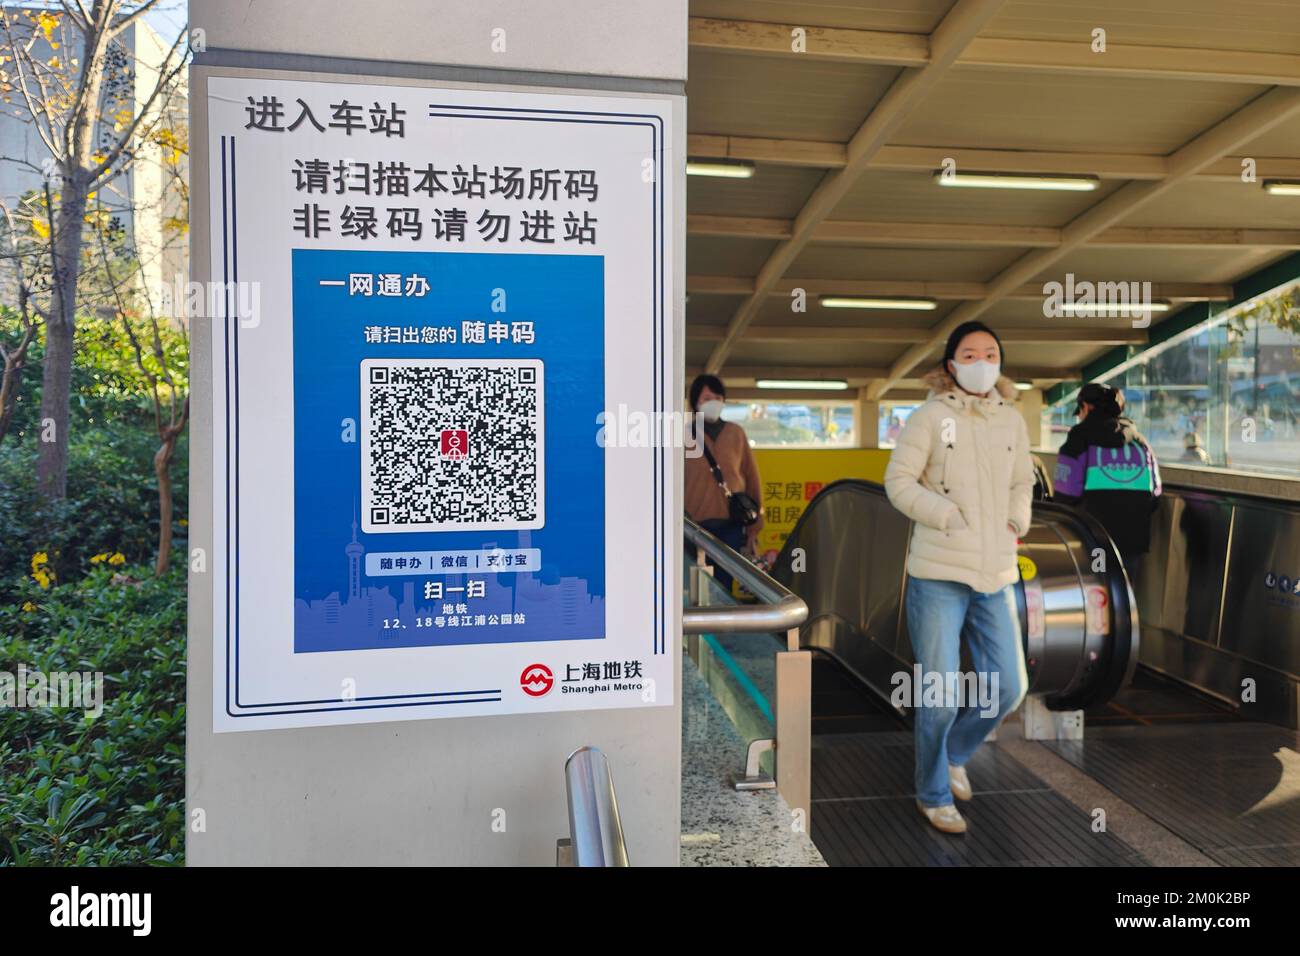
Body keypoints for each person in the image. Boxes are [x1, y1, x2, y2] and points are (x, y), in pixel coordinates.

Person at [884, 321, 1033, 836]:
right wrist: (946, 515)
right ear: (950, 364)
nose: (981, 361)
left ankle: (954, 753)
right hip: (939, 574)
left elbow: (1022, 481)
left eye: (990, 353)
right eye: (969, 354)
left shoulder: (1012, 420)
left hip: (995, 573)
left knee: (1011, 686)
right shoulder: (929, 417)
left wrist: (1017, 520)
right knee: (940, 694)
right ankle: (932, 793)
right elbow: (897, 482)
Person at [1054, 383, 1162, 582]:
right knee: (1126, 591)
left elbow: (1065, 494)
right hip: (1132, 541)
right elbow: (1155, 492)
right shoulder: (1140, 442)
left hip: (1095, 539)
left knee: (1099, 587)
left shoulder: (1078, 440)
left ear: (1086, 407)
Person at [684, 374, 764, 593]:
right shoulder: (682, 435)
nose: (713, 402)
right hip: (693, 527)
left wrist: (755, 523)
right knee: (693, 588)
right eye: (707, 397)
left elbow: (751, 476)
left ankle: (719, 628)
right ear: (695, 402)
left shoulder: (736, 434)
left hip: (731, 525)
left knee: (724, 587)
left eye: (717, 397)